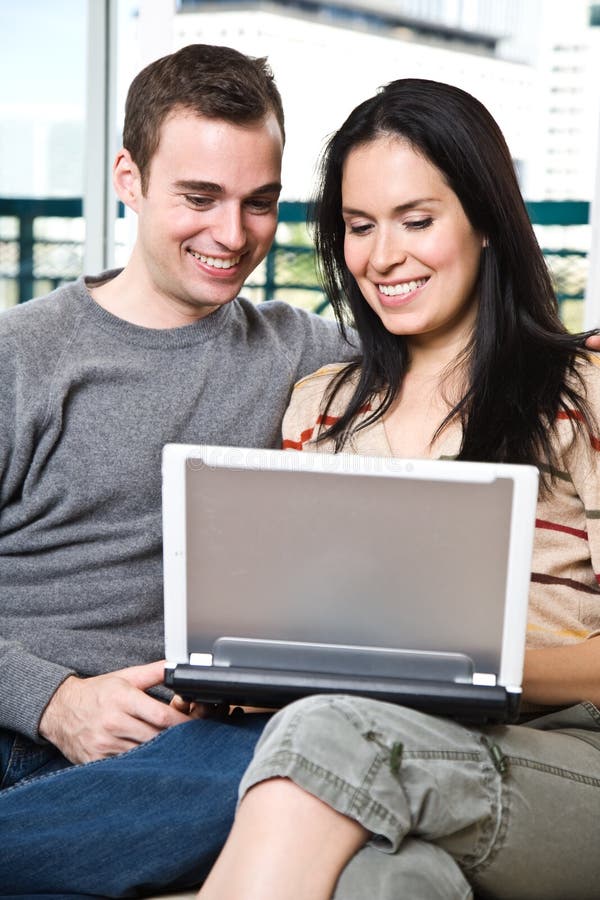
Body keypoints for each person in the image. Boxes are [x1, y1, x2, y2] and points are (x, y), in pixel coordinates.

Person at [198, 78, 600, 900]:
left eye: (417, 221)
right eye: (359, 227)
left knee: (328, 732)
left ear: (485, 220)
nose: (384, 257)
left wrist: (479, 667)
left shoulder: (582, 391)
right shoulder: (321, 408)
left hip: (566, 762)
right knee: (387, 881)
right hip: (385, 748)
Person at [0, 43, 356, 897]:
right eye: (199, 198)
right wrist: (54, 701)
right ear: (130, 177)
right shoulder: (20, 358)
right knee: (307, 787)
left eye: (259, 204)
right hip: (24, 730)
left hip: (198, 745)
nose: (232, 237)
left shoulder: (302, 349)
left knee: (327, 753)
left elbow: (457, 348)